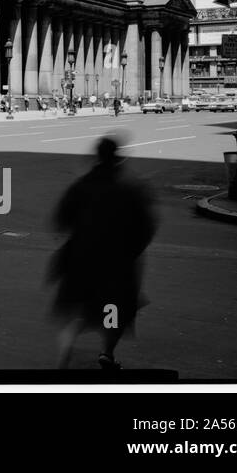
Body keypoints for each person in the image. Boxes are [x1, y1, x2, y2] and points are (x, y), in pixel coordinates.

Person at [48, 136, 157, 371]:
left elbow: (61, 220)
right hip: (117, 265)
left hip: (81, 261)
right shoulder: (129, 189)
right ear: (117, 158)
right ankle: (107, 352)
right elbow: (146, 228)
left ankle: (68, 341)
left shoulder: (82, 185)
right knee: (114, 310)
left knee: (83, 307)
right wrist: (131, 252)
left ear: (96, 157)